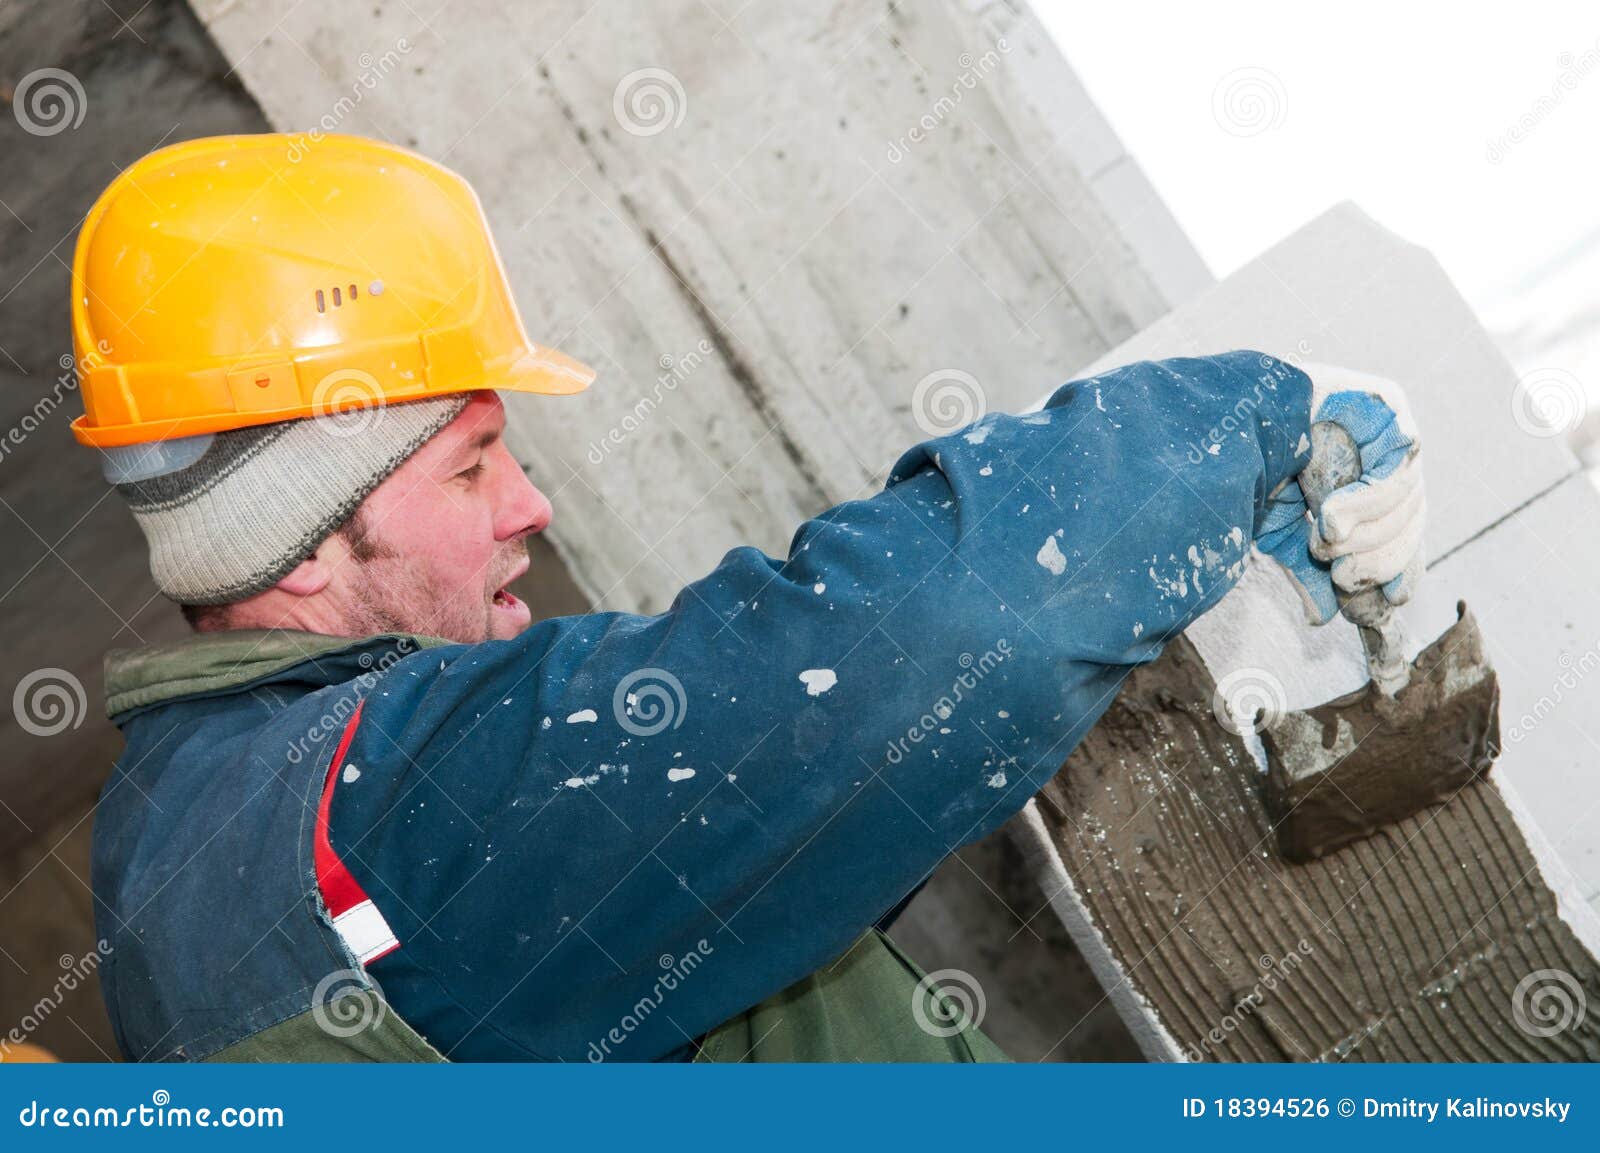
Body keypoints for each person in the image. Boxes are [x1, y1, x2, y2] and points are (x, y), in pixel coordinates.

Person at [80, 134, 1422, 1062]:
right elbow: (940, 640)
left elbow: (720, 905)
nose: (528, 507)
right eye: (473, 462)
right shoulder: (371, 820)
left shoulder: (200, 848)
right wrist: (1250, 424)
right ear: (302, 539)